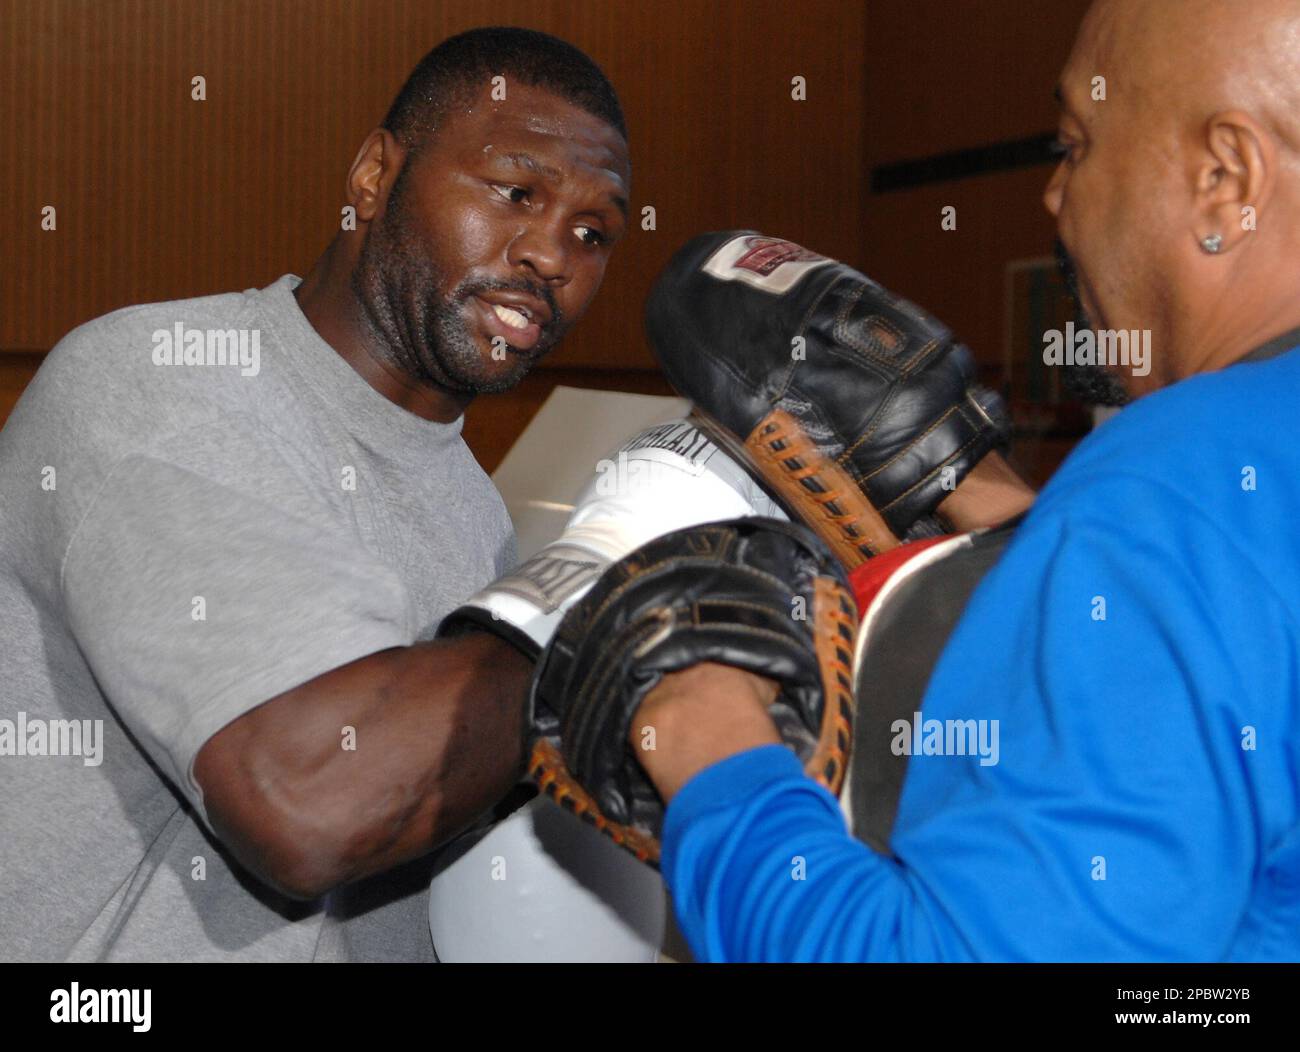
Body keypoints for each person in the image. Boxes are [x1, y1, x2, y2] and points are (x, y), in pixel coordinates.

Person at [618, 0, 1300, 960]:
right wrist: (1009, 537)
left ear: (1225, 179)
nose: (1056, 197)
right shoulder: (1183, 504)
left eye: (1075, 144)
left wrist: (711, 746)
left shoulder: (1158, 498)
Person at [0, 26, 632, 962]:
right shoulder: (155, 384)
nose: (552, 254)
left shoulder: (476, 512)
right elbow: (308, 804)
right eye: (516, 192)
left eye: (594, 232)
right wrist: (611, 597)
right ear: (374, 176)